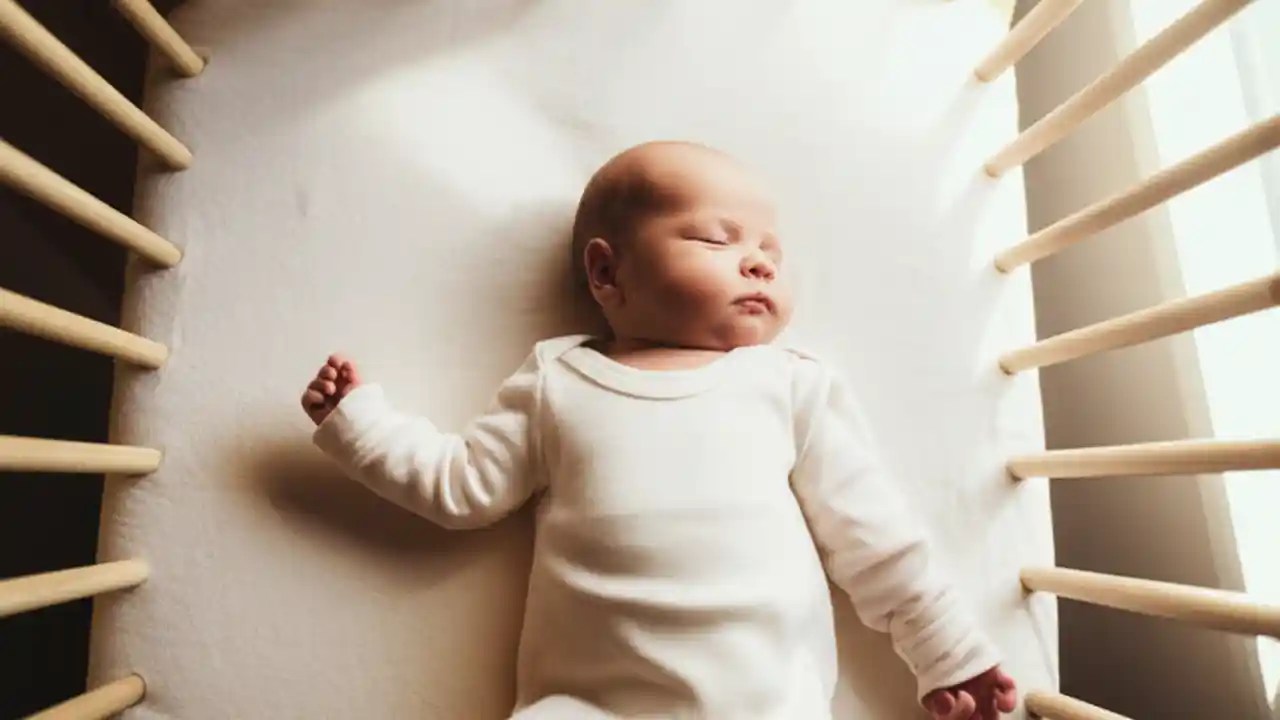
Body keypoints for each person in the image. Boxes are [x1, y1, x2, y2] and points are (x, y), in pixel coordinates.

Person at [302, 141, 1018, 719]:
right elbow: (461, 486)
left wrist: (947, 651)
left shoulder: (787, 383)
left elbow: (878, 542)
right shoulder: (559, 382)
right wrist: (363, 426)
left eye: (772, 250)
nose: (760, 260)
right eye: (718, 238)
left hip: (760, 700)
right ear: (608, 273)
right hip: (584, 703)